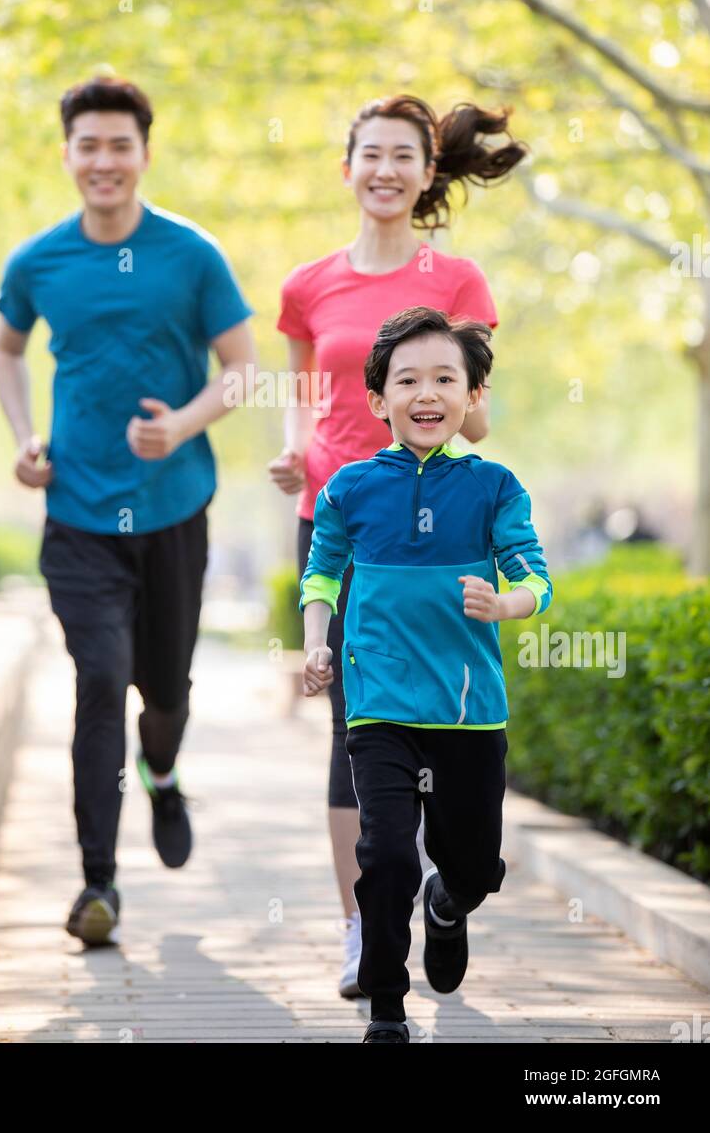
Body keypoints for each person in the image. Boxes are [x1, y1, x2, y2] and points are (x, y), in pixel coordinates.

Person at [269, 95, 525, 996]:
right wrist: (296, 450)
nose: (383, 170)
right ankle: (362, 924)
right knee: (354, 729)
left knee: (445, 741)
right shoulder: (308, 285)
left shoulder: (458, 281)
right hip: (344, 516)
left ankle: (451, 889)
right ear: (347, 169)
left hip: (442, 526)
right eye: (368, 154)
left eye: (402, 156)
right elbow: (303, 391)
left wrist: (443, 394)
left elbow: (481, 414)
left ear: (426, 175)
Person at [0, 75, 256, 946]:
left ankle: (165, 770)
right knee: (100, 679)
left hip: (173, 510)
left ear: (145, 152)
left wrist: (182, 424)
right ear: (66, 154)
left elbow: (243, 368)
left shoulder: (191, 254)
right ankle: (97, 884)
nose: (103, 161)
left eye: (120, 145)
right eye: (88, 145)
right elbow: (5, 349)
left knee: (165, 690)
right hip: (77, 516)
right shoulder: (37, 262)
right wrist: (28, 438)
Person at [299, 306, 552, 1042]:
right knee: (382, 858)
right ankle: (386, 1008)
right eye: (407, 379)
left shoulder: (495, 486)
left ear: (474, 396)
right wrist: (318, 643)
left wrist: (503, 603)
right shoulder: (348, 488)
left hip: (469, 713)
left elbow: (535, 575)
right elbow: (320, 575)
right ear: (378, 400)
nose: (426, 392)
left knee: (472, 865)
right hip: (377, 704)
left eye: (446, 377)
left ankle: (449, 906)